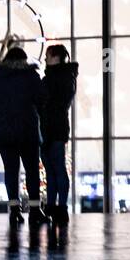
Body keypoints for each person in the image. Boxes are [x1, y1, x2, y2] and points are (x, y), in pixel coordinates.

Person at [0, 48, 49, 228]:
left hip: (5, 133)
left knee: (11, 171)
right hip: (27, 131)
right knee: (32, 171)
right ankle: (35, 210)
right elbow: (41, 100)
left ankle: (14, 210)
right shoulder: (31, 77)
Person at [41, 44, 78, 228]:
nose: (45, 58)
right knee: (57, 168)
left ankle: (55, 206)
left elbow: (47, 102)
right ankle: (59, 207)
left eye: (48, 55)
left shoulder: (53, 79)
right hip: (58, 128)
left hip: (50, 128)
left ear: (55, 57)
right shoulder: (67, 77)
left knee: (54, 169)